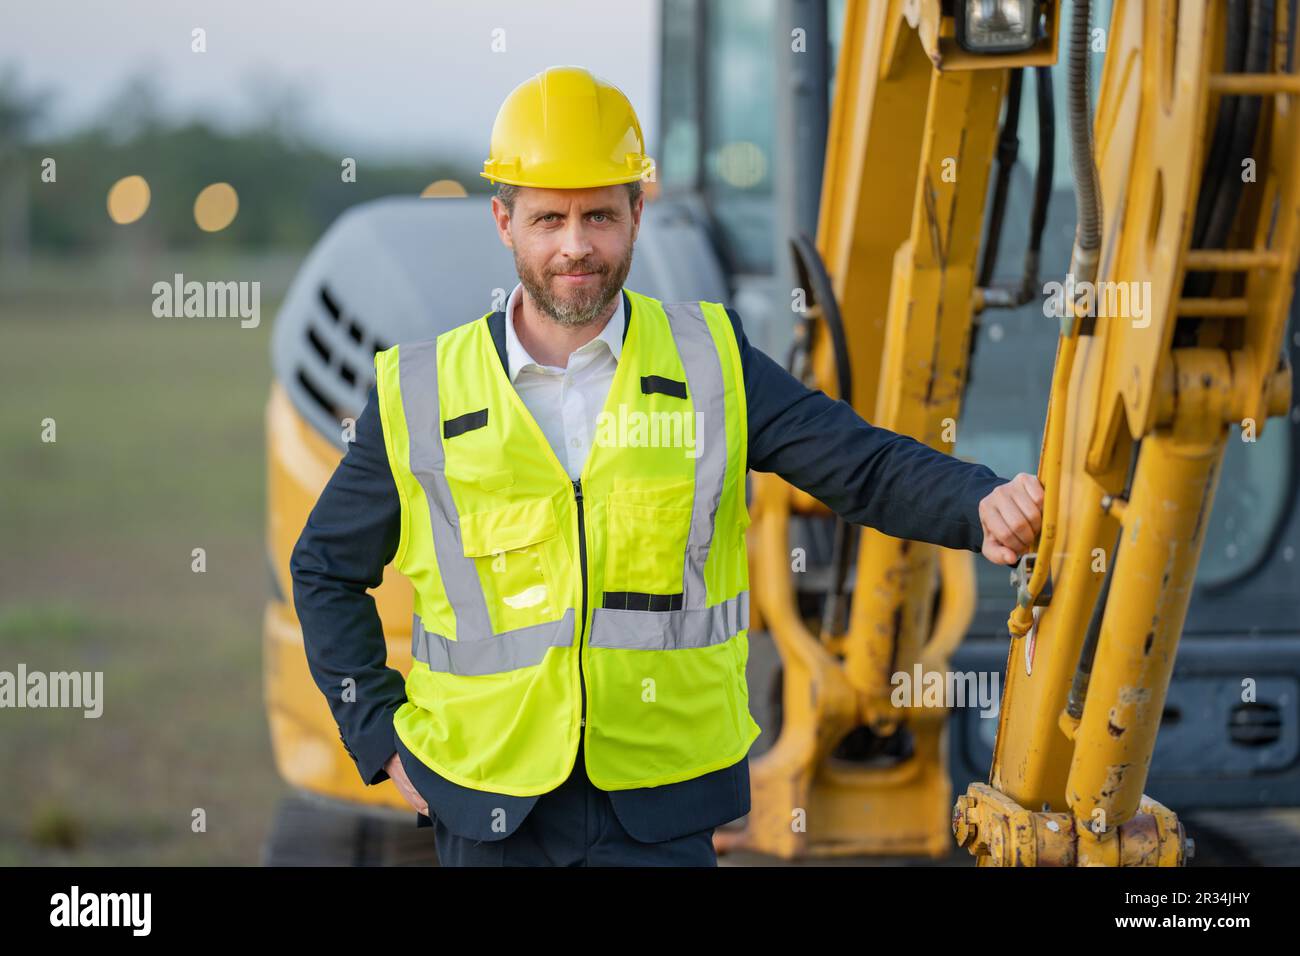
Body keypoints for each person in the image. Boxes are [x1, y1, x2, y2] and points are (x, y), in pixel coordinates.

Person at [290, 65, 1044, 868]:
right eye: (548, 219)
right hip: (490, 808)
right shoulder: (419, 390)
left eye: (599, 217)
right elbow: (324, 567)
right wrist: (377, 735)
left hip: (663, 804)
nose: (575, 246)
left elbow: (861, 466)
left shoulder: (712, 363)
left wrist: (979, 502)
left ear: (637, 215)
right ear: (504, 222)